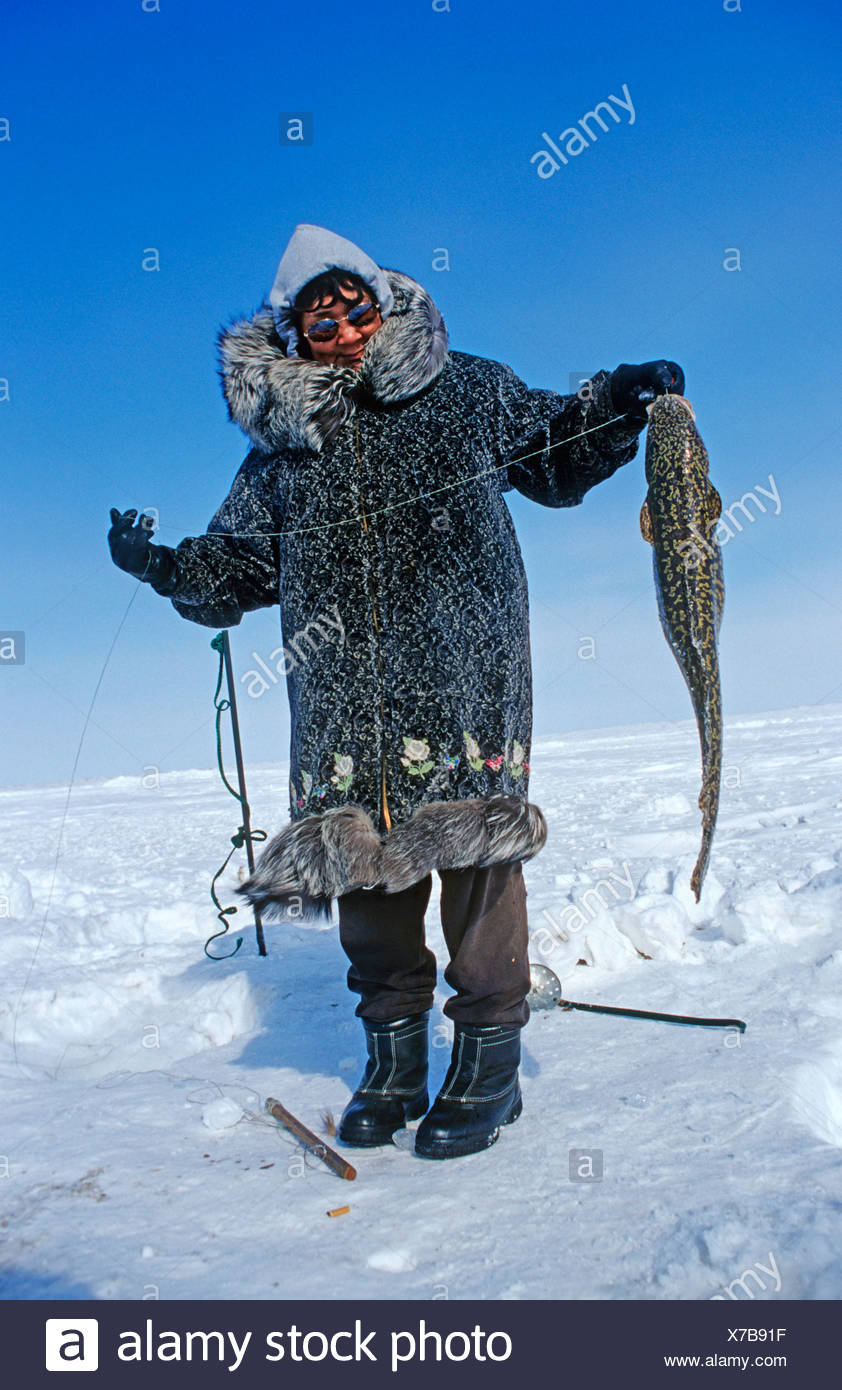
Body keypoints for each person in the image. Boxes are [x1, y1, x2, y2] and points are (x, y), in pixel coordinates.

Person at [108, 223, 684, 1160]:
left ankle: (490, 1062)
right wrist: (163, 564)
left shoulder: (464, 390)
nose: (339, 329)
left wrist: (616, 398)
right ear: (293, 335)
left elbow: (554, 452)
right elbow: (241, 568)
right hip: (339, 698)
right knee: (366, 881)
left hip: (463, 674)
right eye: (316, 317)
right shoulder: (283, 450)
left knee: (473, 860)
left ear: (381, 306)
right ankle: (394, 1064)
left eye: (353, 307)